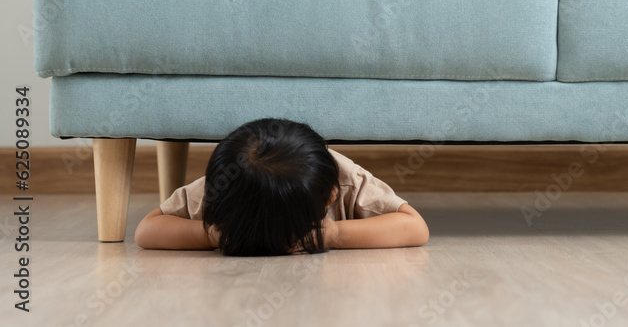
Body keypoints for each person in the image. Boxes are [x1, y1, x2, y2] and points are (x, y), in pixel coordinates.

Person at [134, 118, 429, 255]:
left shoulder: (342, 179)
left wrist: (336, 234)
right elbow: (146, 231)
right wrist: (211, 235)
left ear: (329, 197)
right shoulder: (229, 184)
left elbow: (415, 227)